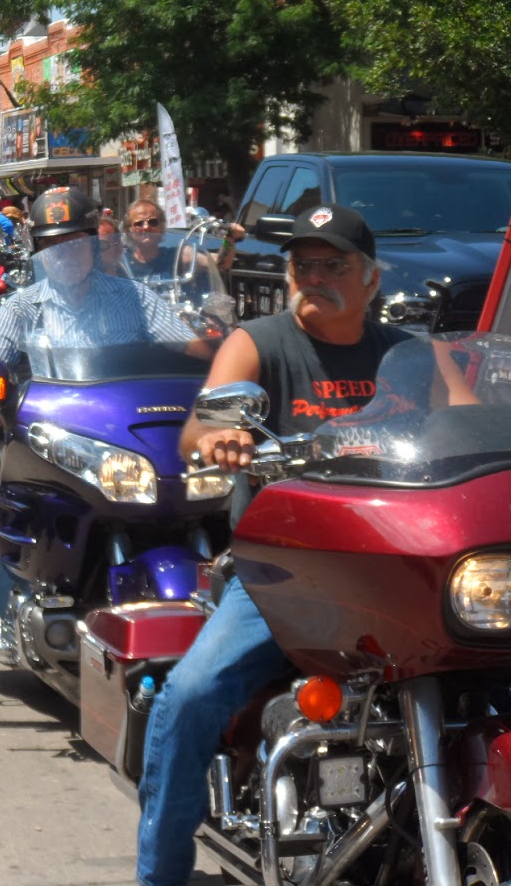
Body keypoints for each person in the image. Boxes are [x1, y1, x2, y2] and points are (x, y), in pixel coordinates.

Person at [133, 203, 415, 886]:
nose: (314, 277)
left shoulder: (407, 356)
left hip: (393, 571)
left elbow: (463, 421)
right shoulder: (259, 341)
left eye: (333, 265)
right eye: (303, 265)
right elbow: (201, 428)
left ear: (371, 280)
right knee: (191, 696)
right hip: (282, 573)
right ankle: (161, 873)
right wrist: (221, 437)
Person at [0, 187, 199, 734]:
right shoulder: (22, 306)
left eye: (76, 241)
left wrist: (225, 350)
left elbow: (189, 348)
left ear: (94, 242)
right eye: (54, 245)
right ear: (40, 250)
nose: (66, 254)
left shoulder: (134, 299)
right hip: (46, 447)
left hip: (124, 445)